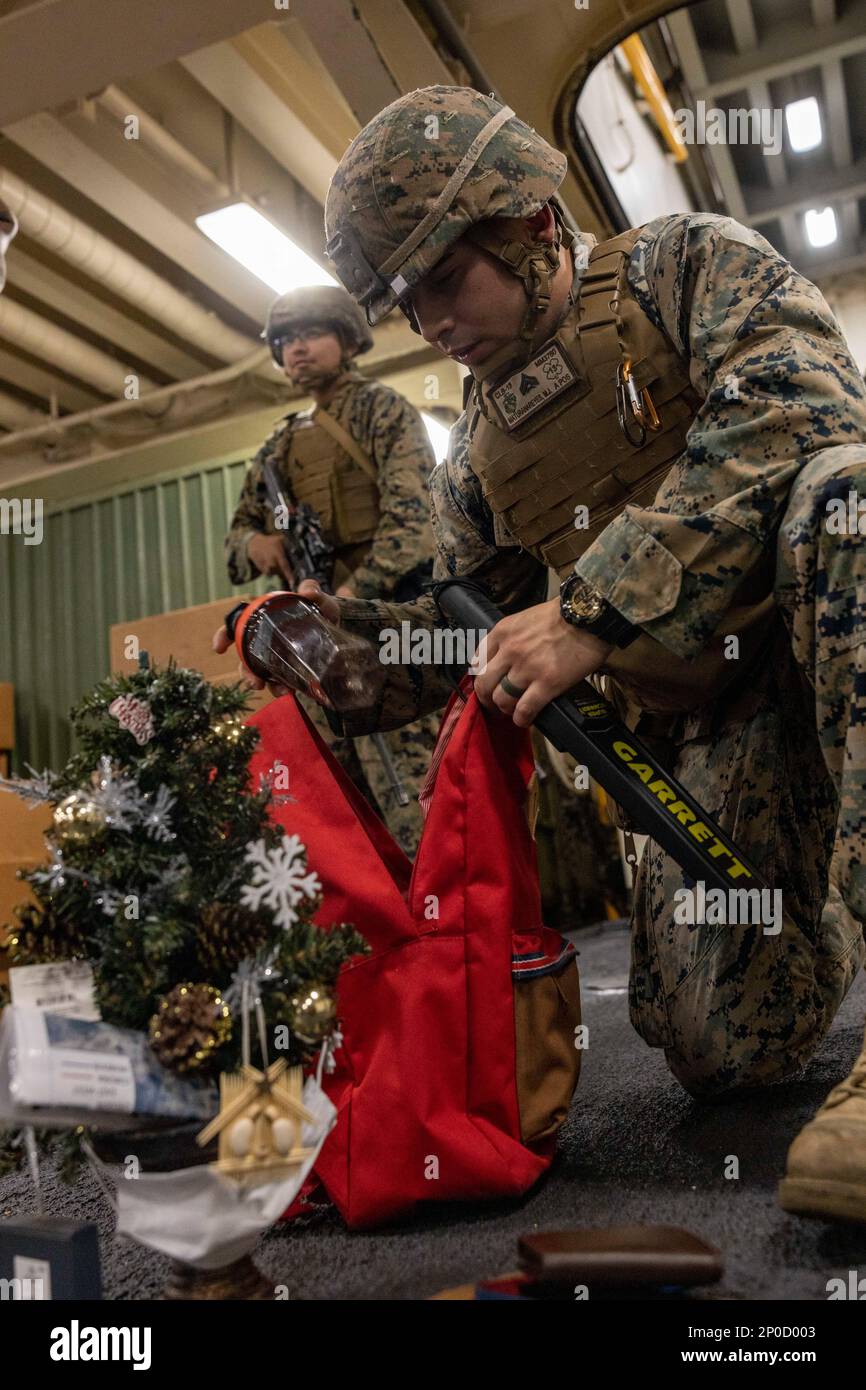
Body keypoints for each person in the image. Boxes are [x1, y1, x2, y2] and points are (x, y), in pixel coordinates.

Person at [302, 83, 866, 1128]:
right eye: (402, 301)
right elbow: (460, 634)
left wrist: (588, 613)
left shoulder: (684, 266)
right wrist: (330, 659)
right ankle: (816, 895)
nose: (428, 320)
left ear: (527, 222)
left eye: (443, 278)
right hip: (715, 719)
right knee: (717, 1049)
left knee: (847, 502)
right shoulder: (475, 459)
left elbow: (795, 412)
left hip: (822, 632)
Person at [224, 284, 439, 856]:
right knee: (343, 810)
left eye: (311, 333)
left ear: (346, 339)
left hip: (383, 629)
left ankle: (452, 930)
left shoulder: (384, 411)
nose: (297, 349)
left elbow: (413, 527)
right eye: (285, 340)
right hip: (312, 650)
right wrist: (257, 545)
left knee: (412, 795)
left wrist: (345, 599)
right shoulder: (278, 446)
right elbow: (234, 544)